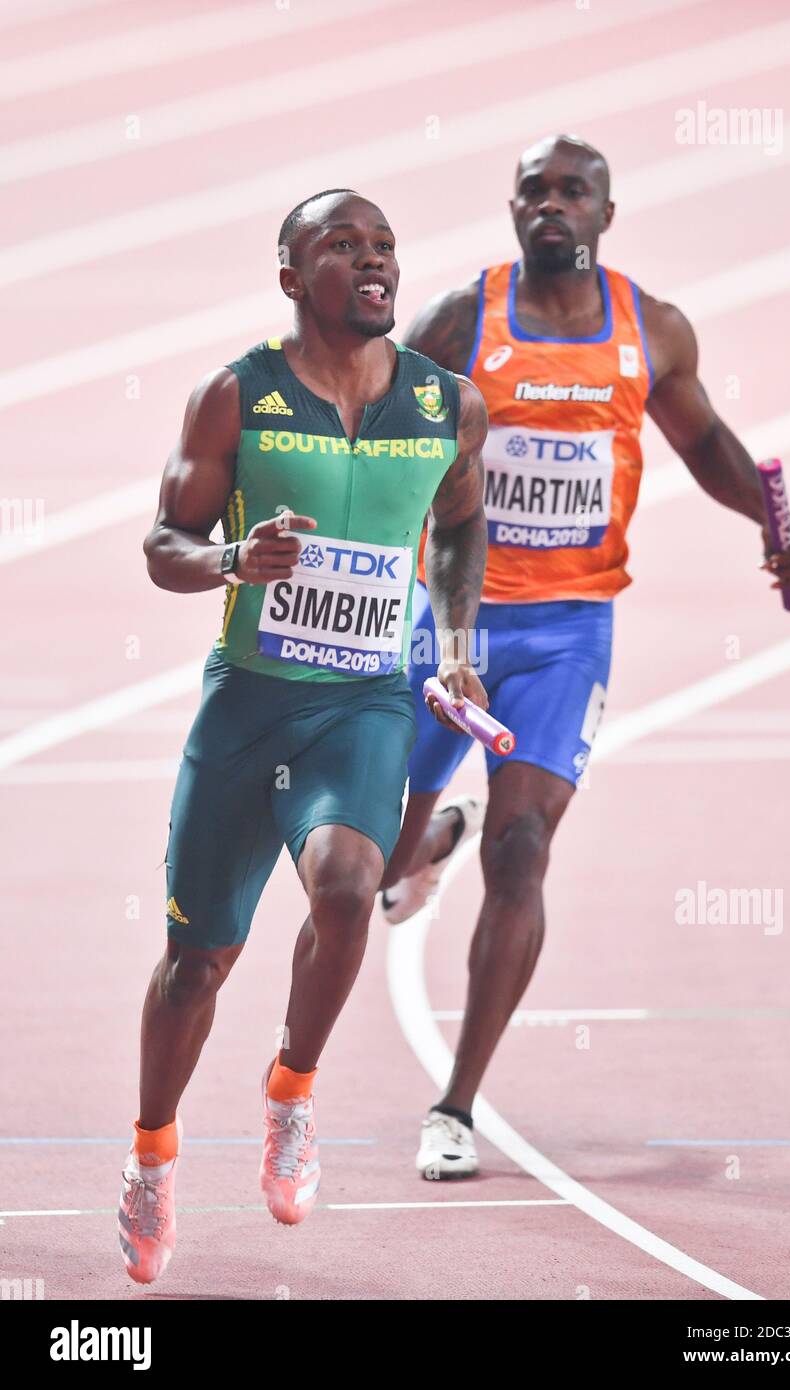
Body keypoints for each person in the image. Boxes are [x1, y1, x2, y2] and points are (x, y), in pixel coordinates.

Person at [380, 136, 790, 1179]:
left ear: (604, 215)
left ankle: (455, 1104)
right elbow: (384, 433)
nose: (551, 205)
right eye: (533, 188)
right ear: (512, 207)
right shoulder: (459, 320)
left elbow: (703, 441)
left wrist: (771, 519)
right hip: (451, 614)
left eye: (572, 191)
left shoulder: (648, 329)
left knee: (522, 849)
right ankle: (423, 836)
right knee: (359, 869)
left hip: (568, 630)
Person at [118, 189, 488, 1283]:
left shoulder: (447, 404)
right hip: (248, 705)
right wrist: (234, 562)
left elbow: (461, 524)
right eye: (342, 246)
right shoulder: (235, 396)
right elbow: (164, 541)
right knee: (195, 966)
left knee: (345, 881)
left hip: (364, 705)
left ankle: (291, 1090)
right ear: (292, 276)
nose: (372, 262)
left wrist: (456, 641)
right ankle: (151, 1158)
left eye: (383, 247)